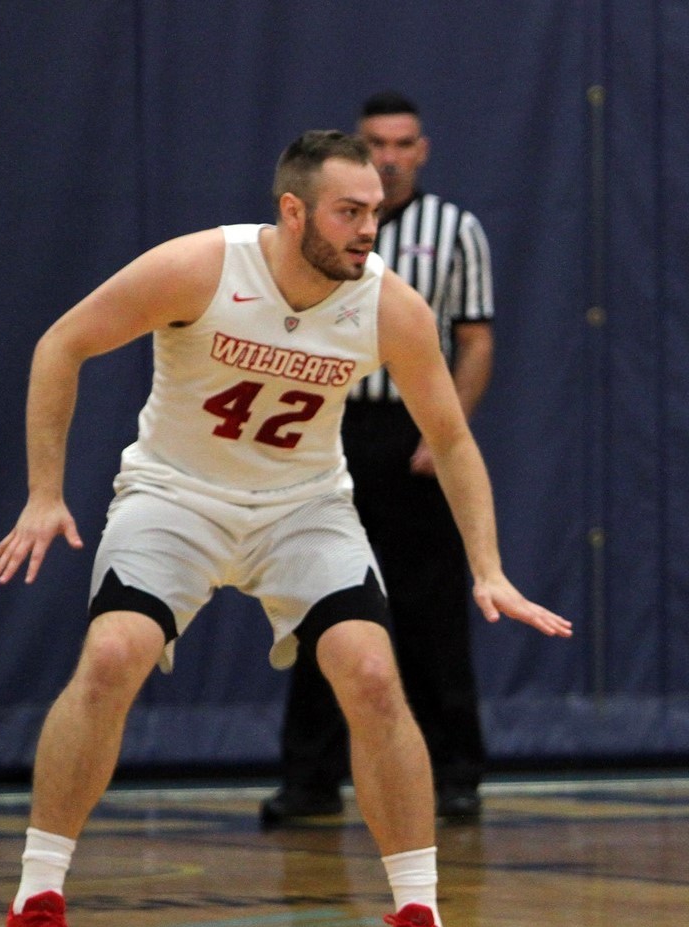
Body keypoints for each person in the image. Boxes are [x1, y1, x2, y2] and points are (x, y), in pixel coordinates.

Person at [0, 130, 571, 927]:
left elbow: (449, 436)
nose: (368, 229)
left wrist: (487, 566)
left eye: (375, 211)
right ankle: (34, 911)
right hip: (177, 497)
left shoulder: (387, 305)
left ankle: (420, 924)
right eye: (350, 212)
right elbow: (60, 344)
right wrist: (45, 493)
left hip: (303, 509)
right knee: (112, 657)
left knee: (373, 676)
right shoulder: (199, 267)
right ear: (293, 209)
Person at [267, 91, 497, 827]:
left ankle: (455, 773)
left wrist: (443, 428)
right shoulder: (312, 232)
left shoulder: (455, 229)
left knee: (429, 606)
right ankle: (310, 777)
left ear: (421, 150)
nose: (392, 157)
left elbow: (476, 339)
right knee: (320, 602)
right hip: (326, 423)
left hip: (408, 430)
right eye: (378, 145)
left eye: (404, 144)